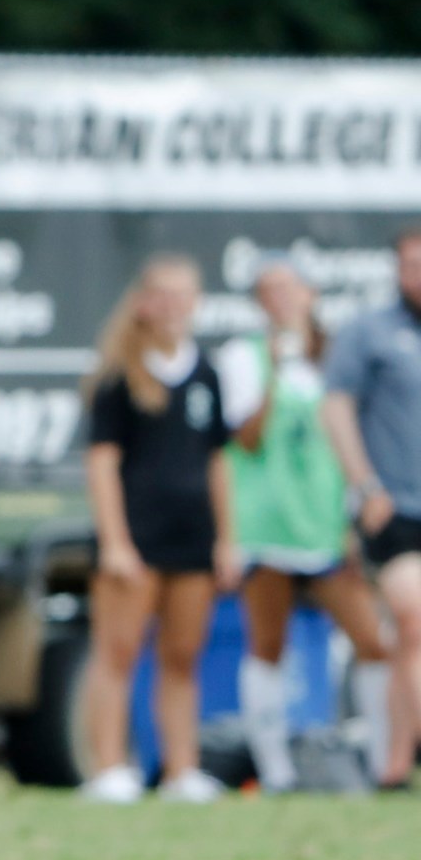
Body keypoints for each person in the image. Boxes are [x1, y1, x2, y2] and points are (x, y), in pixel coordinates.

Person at [216, 264, 396, 791]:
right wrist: (274, 370)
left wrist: (352, 507)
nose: (282, 298)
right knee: (267, 643)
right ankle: (275, 770)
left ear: (311, 294)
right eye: (269, 290)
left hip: (324, 524)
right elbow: (244, 439)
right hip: (267, 524)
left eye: (290, 287)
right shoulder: (242, 357)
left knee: (371, 639)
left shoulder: (337, 356)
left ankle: (383, 765)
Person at [78, 255, 242, 805]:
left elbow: (217, 462)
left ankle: (181, 769)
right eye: (163, 295)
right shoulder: (120, 376)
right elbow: (101, 464)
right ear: (144, 302)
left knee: (182, 657)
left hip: (192, 536)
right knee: (118, 652)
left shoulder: (206, 372)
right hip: (138, 536)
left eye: (184, 295)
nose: (174, 306)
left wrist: (227, 537)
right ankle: (107, 768)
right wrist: (115, 542)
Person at [322, 225, 421, 790]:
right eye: (411, 264)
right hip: (397, 507)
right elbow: (336, 409)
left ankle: (396, 763)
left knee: (412, 638)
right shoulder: (371, 333)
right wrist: (364, 486)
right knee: (412, 619)